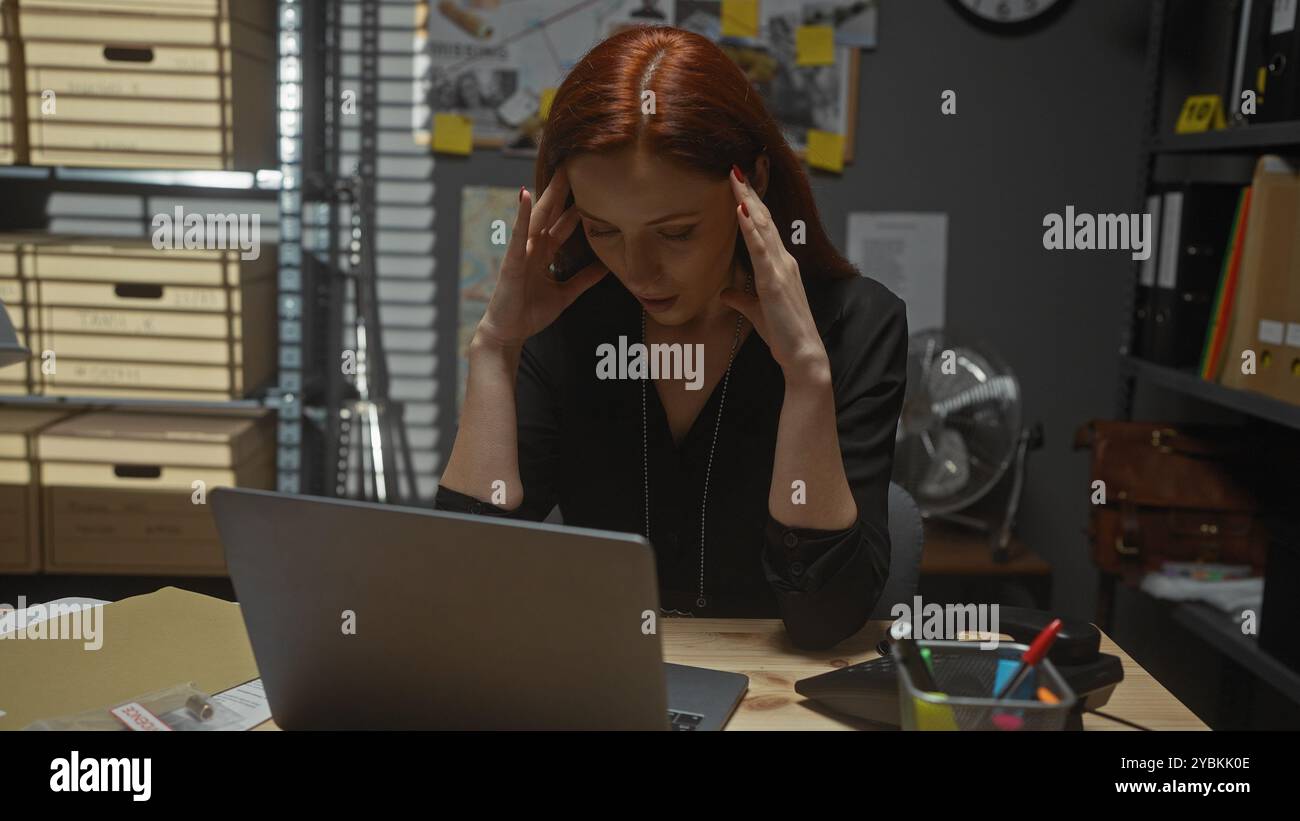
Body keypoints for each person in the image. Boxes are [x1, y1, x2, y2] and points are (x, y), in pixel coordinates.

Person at [436, 25, 907, 650]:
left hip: (777, 687)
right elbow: (468, 587)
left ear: (753, 184)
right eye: (604, 230)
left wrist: (805, 375)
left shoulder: (857, 323)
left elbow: (823, 618)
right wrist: (495, 348)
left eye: (676, 232)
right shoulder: (566, 323)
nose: (638, 271)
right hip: (606, 675)